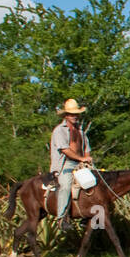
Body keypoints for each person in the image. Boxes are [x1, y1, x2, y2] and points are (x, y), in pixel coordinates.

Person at [50, 98, 93, 232]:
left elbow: (86, 148)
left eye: (76, 114)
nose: (74, 116)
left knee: (94, 182)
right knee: (66, 186)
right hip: (66, 164)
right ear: (66, 115)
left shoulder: (80, 131)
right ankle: (62, 218)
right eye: (71, 114)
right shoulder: (59, 130)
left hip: (81, 162)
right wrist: (82, 158)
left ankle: (87, 216)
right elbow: (65, 150)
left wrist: (87, 158)